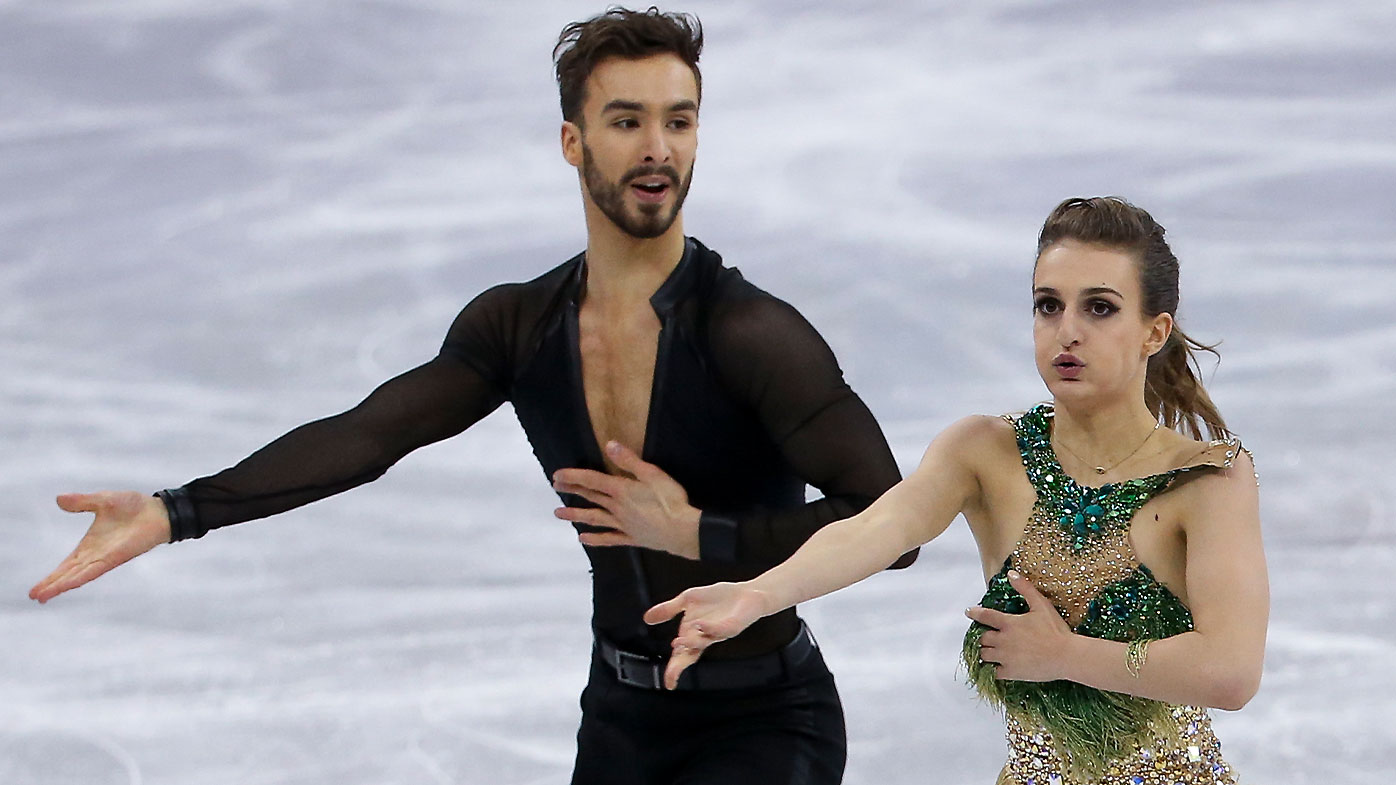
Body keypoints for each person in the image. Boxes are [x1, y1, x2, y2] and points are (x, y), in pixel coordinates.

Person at [29, 8, 914, 785]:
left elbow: (895, 522)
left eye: (678, 121)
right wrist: (175, 510)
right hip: (622, 721)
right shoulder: (520, 326)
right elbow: (371, 433)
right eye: (627, 121)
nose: (657, 148)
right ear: (574, 142)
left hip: (764, 719)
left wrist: (698, 537)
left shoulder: (752, 332)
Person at [649, 196, 1268, 784]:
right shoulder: (985, 452)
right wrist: (758, 595)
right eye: (1048, 305)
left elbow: (1231, 672)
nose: (1066, 332)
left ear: (1154, 333)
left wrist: (1064, 656)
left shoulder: (1207, 481)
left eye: (1099, 308)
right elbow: (875, 528)